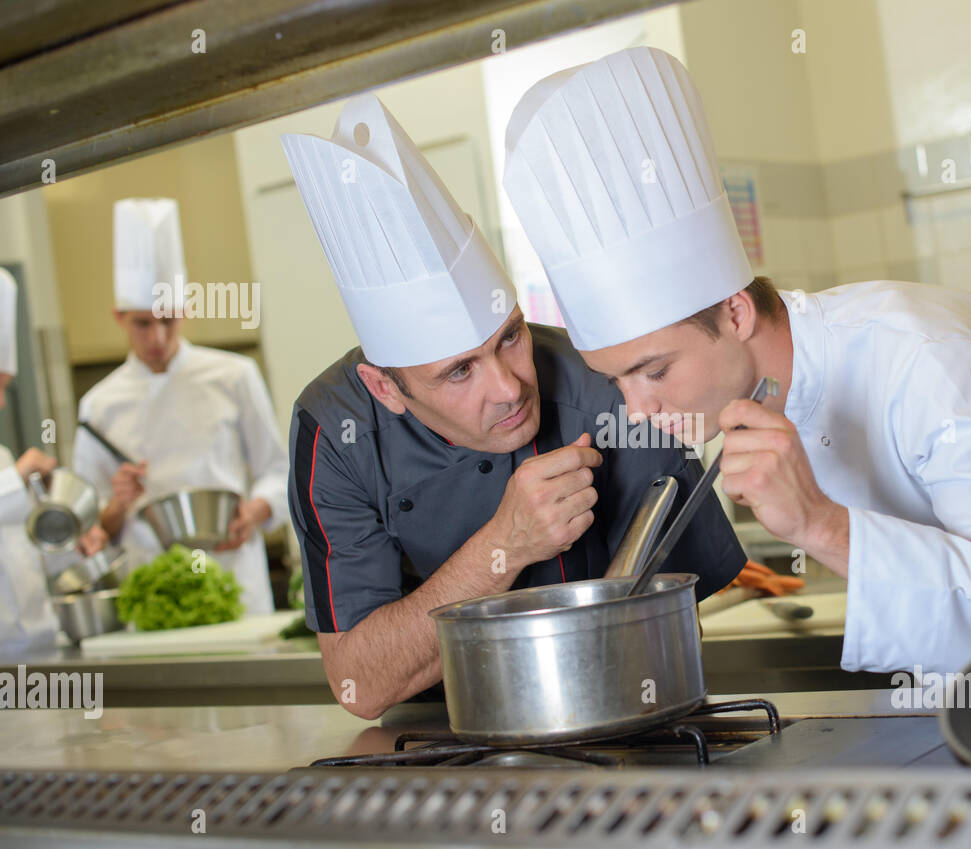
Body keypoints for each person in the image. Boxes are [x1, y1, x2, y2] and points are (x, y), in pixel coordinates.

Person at [503, 47, 971, 674]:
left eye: (655, 370)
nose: (639, 411)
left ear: (734, 313)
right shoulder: (748, 402)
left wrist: (819, 524)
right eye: (617, 380)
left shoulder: (926, 358)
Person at [281, 94, 745, 719]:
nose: (509, 386)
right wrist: (505, 544)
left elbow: (667, 625)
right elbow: (359, 687)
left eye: (510, 337)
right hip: (435, 737)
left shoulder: (606, 387)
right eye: (459, 372)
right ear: (386, 388)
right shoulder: (337, 432)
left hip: (621, 712)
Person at [73, 198, 290, 613]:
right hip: (151, 588)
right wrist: (117, 504)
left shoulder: (234, 375)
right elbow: (89, 526)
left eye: (168, 320)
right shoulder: (98, 406)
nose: (157, 338)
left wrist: (256, 509)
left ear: (186, 310)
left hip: (233, 575)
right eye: (143, 323)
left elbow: (277, 470)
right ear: (118, 316)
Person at [0, 266, 59, 649]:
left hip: (41, 651)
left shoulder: (2, 456)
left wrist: (67, 531)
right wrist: (17, 478)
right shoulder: (11, 468)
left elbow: (25, 558)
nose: (2, 402)